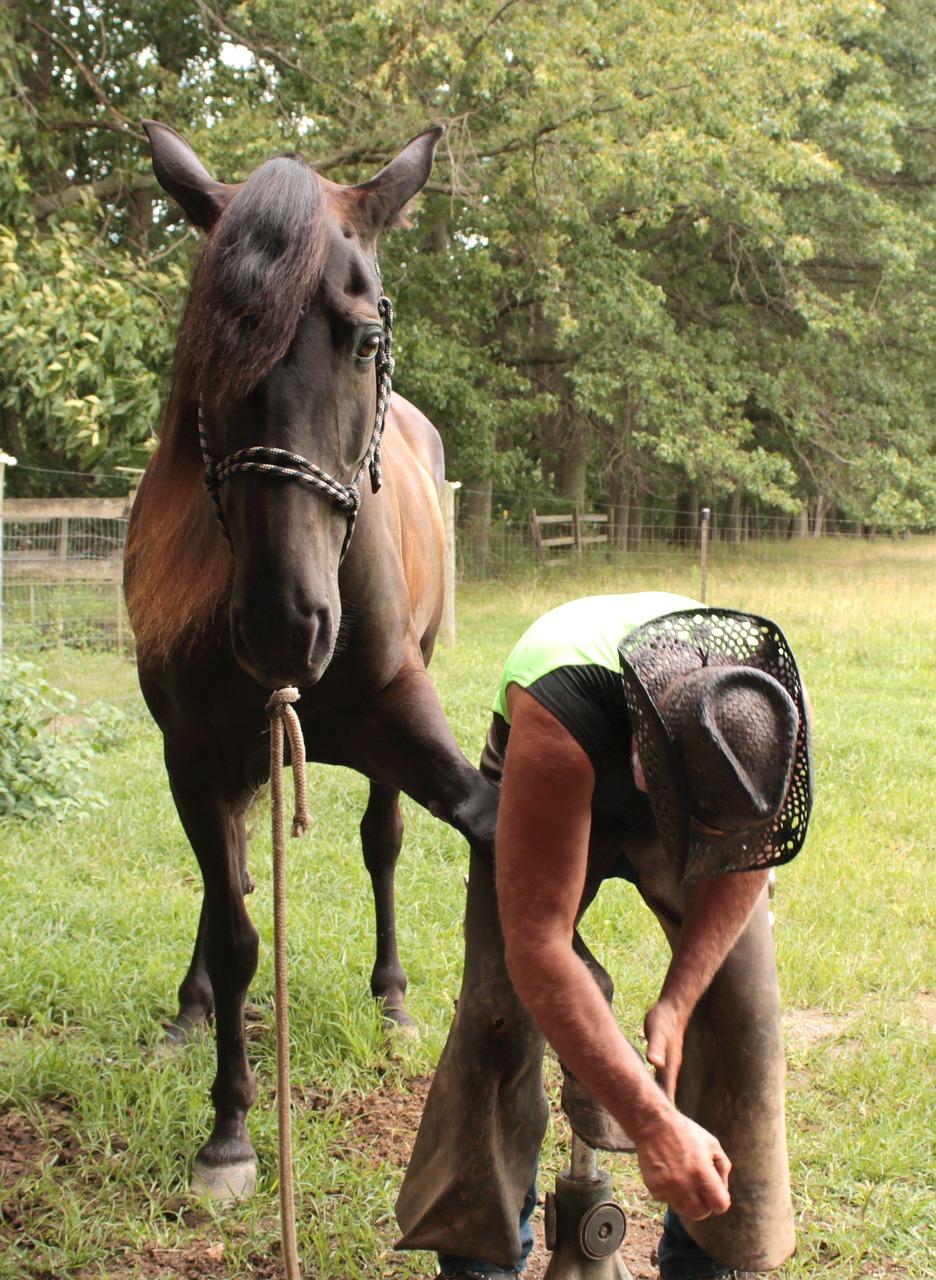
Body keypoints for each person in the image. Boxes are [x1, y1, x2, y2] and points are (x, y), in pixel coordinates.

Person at [395, 591, 813, 1280]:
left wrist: (678, 1004)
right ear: (641, 756)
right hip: (558, 764)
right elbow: (539, 945)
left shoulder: (764, 727)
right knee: (497, 1017)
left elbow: (745, 867)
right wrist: (651, 1122)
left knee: (744, 1019)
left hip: (704, 779)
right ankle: (479, 1259)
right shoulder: (563, 720)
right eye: (692, 832)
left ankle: (706, 1261)